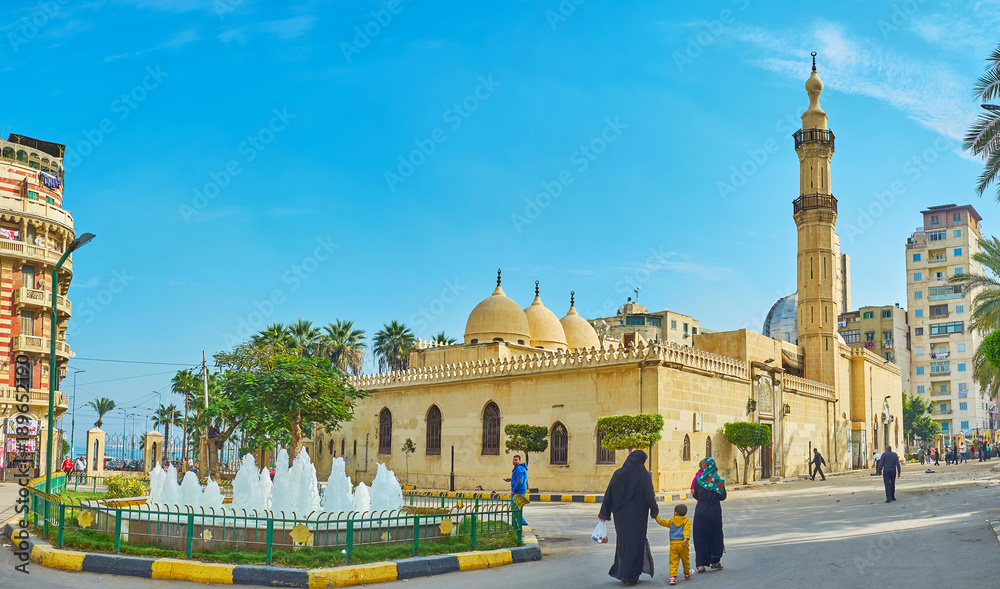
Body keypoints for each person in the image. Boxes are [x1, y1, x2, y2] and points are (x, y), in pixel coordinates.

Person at [598, 450, 659, 585]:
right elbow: (649, 495)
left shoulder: (618, 474)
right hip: (638, 516)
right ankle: (631, 575)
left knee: (624, 543)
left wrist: (604, 514)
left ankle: (624, 573)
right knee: (636, 543)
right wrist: (654, 511)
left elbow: (609, 494)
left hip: (620, 516)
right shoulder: (644, 476)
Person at [692, 457, 726, 573]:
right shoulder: (719, 480)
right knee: (715, 535)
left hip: (700, 510)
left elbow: (695, 495)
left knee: (700, 536)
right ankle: (715, 561)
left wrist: (703, 499)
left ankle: (700, 564)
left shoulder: (698, 480)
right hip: (714, 511)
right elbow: (723, 497)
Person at [655, 504, 691, 585]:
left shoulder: (672, 521)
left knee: (673, 560)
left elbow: (662, 522)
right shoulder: (686, 521)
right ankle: (686, 573)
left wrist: (656, 516)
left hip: (673, 544)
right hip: (683, 544)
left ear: (675, 513)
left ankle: (673, 577)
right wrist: (686, 539)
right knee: (685, 559)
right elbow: (687, 530)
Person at [503, 454, 528, 525]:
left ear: (519, 460)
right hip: (520, 490)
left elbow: (520, 481)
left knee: (515, 508)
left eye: (516, 460)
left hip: (518, 491)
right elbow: (518, 479)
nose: (514, 461)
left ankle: (522, 522)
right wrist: (511, 479)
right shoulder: (519, 468)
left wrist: (514, 489)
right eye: (513, 460)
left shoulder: (519, 469)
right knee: (516, 508)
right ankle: (519, 522)